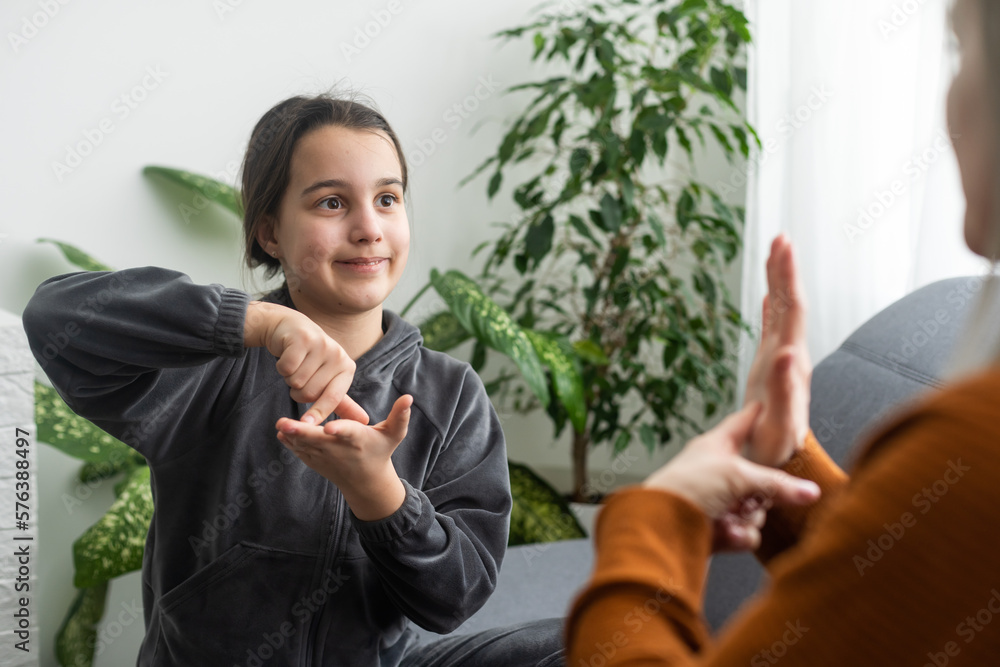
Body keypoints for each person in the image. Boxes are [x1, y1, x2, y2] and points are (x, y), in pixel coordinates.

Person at [23, 94, 564, 666]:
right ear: (270, 234)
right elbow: (55, 316)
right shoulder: (203, 371)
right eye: (332, 202)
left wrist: (378, 493)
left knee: (600, 639)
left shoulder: (451, 396)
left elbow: (452, 599)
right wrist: (254, 322)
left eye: (387, 199)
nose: (368, 228)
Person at [566, 0, 1000, 664]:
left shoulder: (976, 444)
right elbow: (914, 599)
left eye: (958, 52)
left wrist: (651, 518)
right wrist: (789, 455)